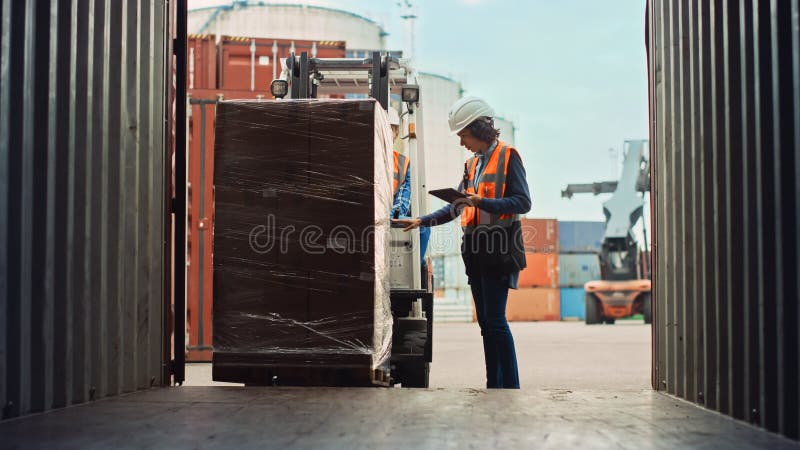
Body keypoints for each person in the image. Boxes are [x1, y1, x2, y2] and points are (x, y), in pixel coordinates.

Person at [393, 97, 531, 389]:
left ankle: (511, 386)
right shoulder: (471, 166)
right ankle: (494, 385)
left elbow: (523, 202)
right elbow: (456, 205)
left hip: (499, 248)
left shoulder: (509, 157)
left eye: (463, 136)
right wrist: (421, 221)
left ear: (477, 129)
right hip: (476, 250)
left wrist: (484, 202)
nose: (461, 143)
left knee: (495, 321)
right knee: (485, 324)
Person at [388, 107, 431, 264]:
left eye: (389, 129)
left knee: (423, 228)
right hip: (366, 218)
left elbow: (403, 201)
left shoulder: (403, 163)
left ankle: (414, 270)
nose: (384, 134)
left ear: (396, 133)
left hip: (389, 217)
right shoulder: (364, 159)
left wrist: (389, 216)